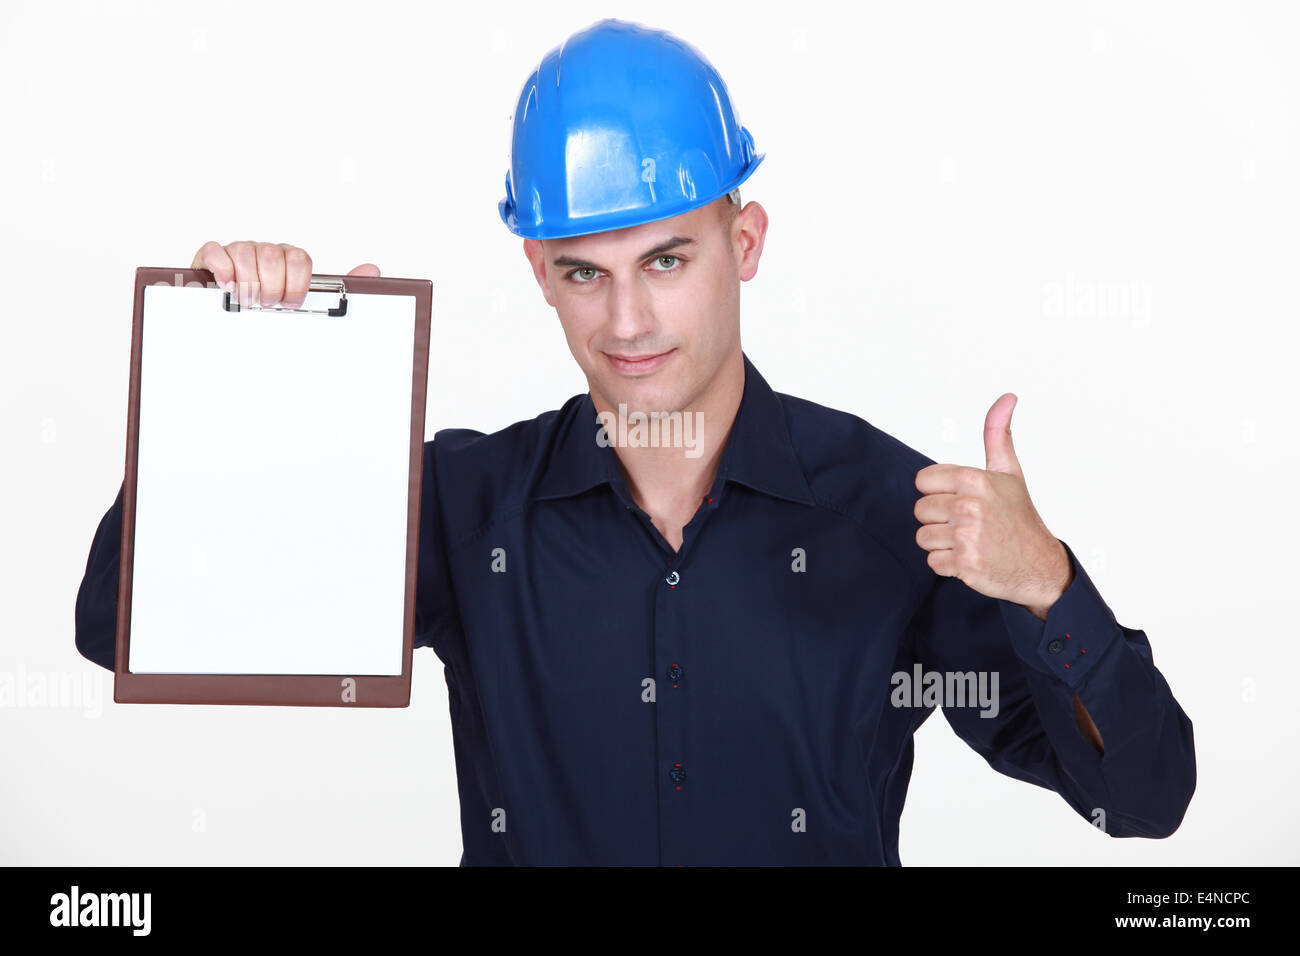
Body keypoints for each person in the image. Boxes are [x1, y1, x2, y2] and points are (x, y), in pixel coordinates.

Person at [74, 17, 1195, 866]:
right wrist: (251, 385)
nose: (624, 322)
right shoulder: (465, 509)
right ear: (538, 275)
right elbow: (123, 625)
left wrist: (1046, 586)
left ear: (742, 240)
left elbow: (1141, 796)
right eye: (582, 273)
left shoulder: (889, 513)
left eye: (666, 260)